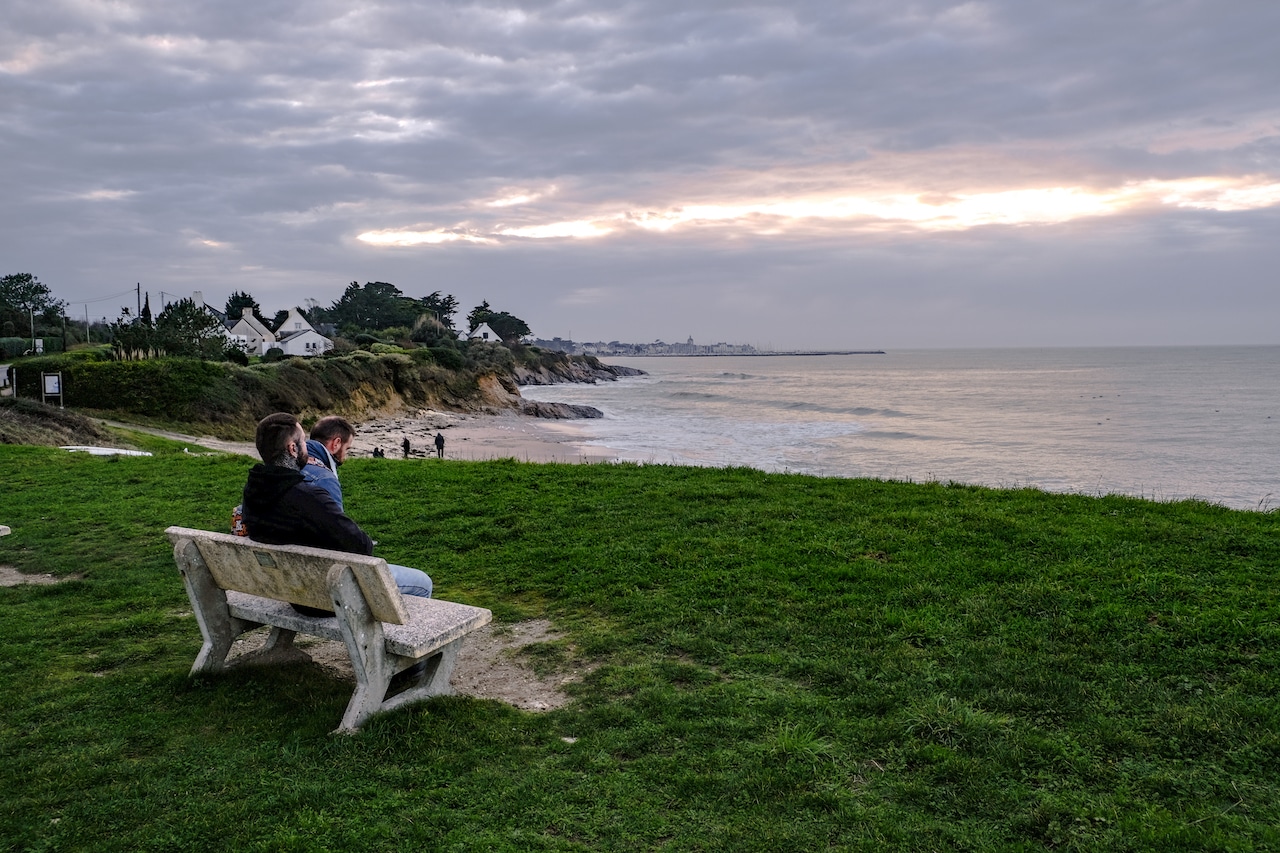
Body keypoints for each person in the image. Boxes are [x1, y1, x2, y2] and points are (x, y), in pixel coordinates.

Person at [241, 412, 433, 599]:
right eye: (303, 442)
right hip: (325, 593)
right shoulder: (309, 496)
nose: (307, 448)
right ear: (293, 449)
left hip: (288, 588)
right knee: (423, 583)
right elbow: (361, 546)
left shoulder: (253, 490)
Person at [303, 415, 354, 508]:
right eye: (347, 449)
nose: (345, 457)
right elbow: (336, 521)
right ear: (336, 443)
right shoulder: (325, 479)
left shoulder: (289, 463)